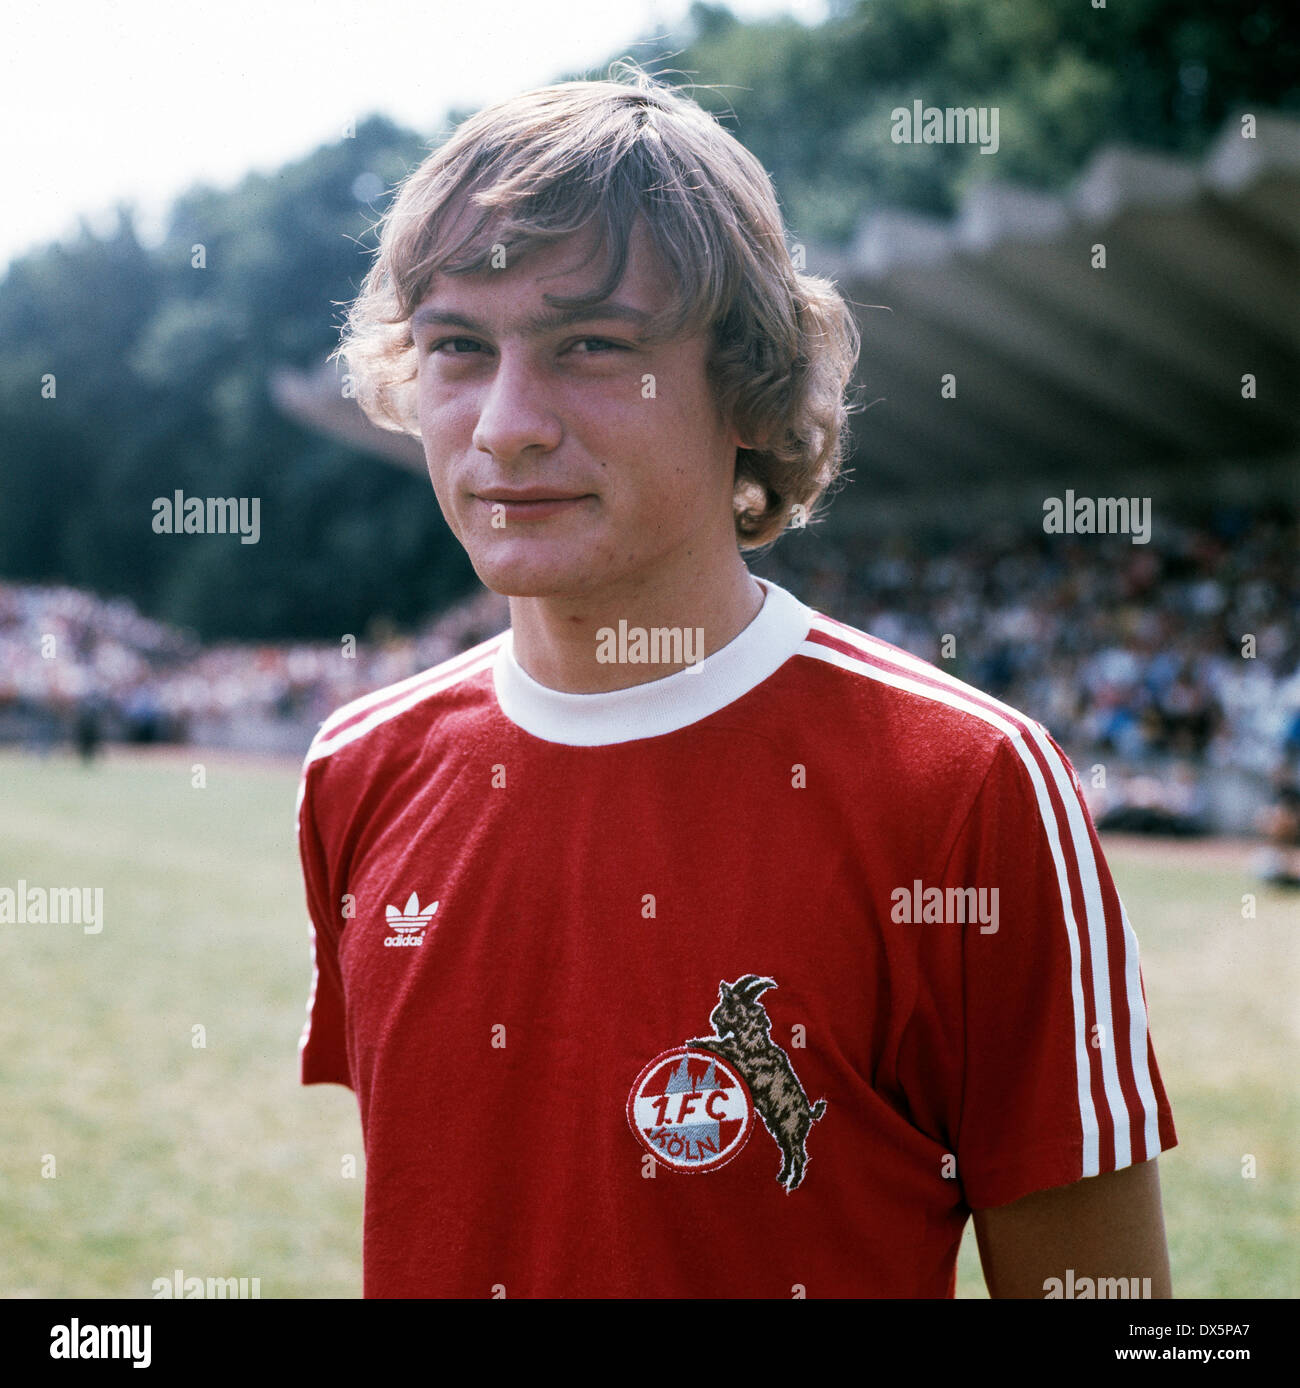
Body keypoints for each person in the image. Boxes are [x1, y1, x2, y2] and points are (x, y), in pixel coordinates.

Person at [296, 64, 1176, 1298]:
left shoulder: (968, 786)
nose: (504, 423)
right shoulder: (358, 768)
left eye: (590, 343)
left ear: (750, 384)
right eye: (455, 346)